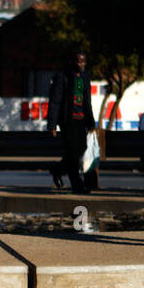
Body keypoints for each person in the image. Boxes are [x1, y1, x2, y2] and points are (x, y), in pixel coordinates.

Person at [47, 47, 96, 192]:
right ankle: (77, 185)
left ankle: (57, 170)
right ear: (71, 62)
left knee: (81, 149)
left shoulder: (85, 76)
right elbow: (55, 101)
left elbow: (87, 100)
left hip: (81, 120)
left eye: (84, 62)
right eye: (79, 61)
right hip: (67, 120)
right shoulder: (62, 76)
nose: (82, 64)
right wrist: (52, 125)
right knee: (73, 153)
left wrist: (91, 121)